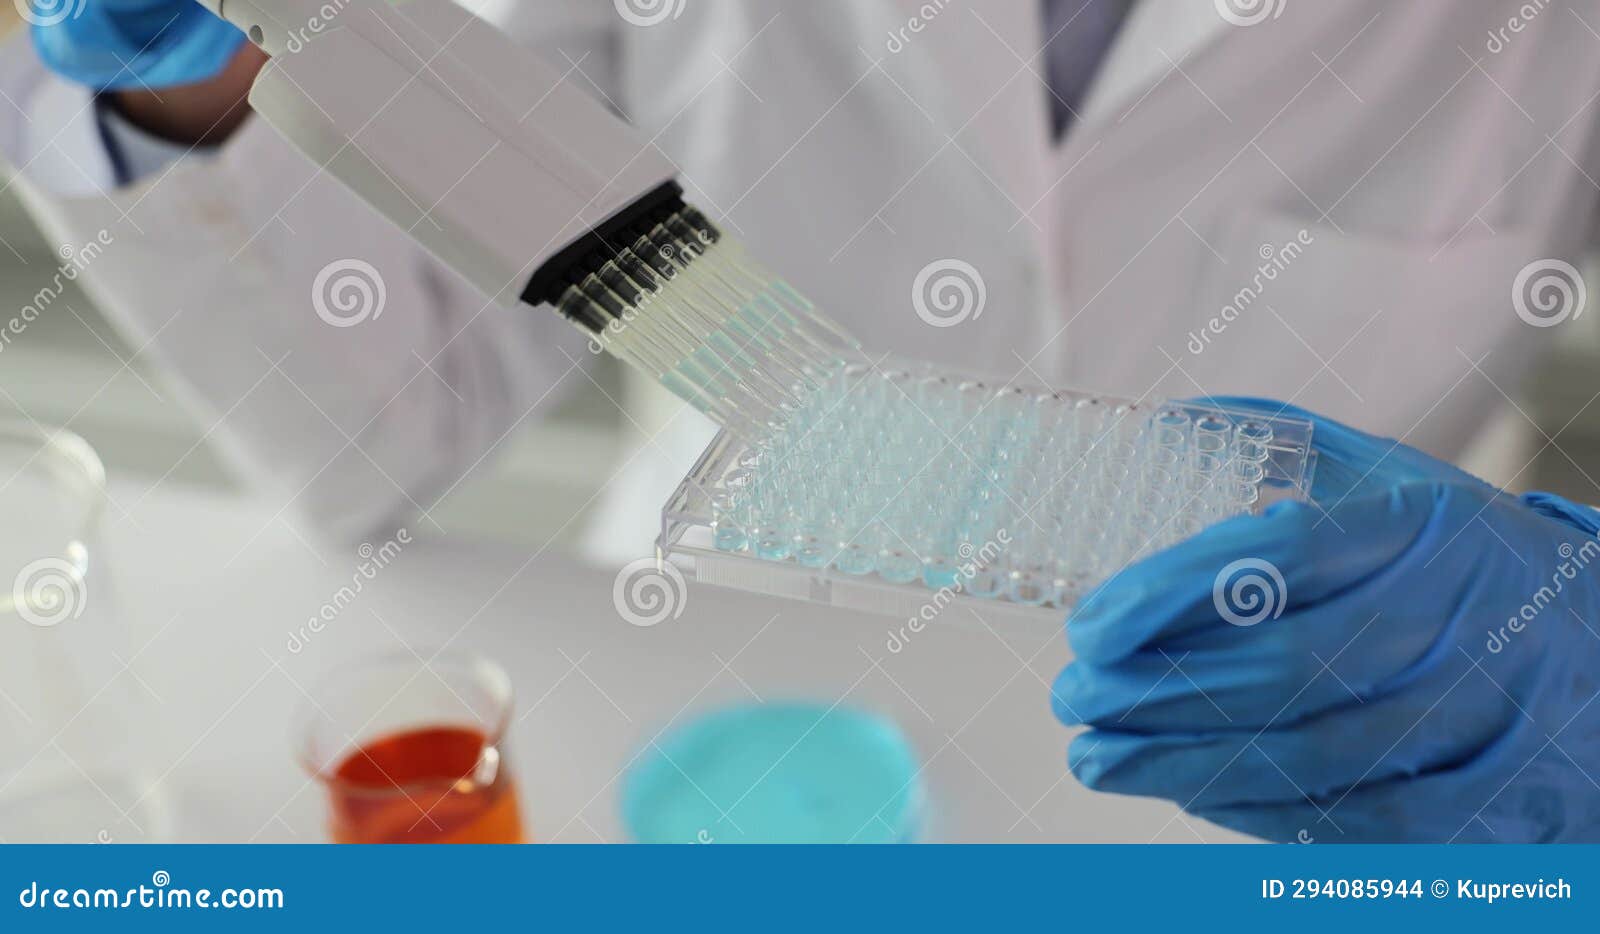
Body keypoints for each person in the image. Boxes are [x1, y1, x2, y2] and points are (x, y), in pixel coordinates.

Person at [3, 0, 1597, 842]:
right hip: (724, 686)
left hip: (1351, 730)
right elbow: (383, 428)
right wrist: (193, 98)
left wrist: (1571, 660)